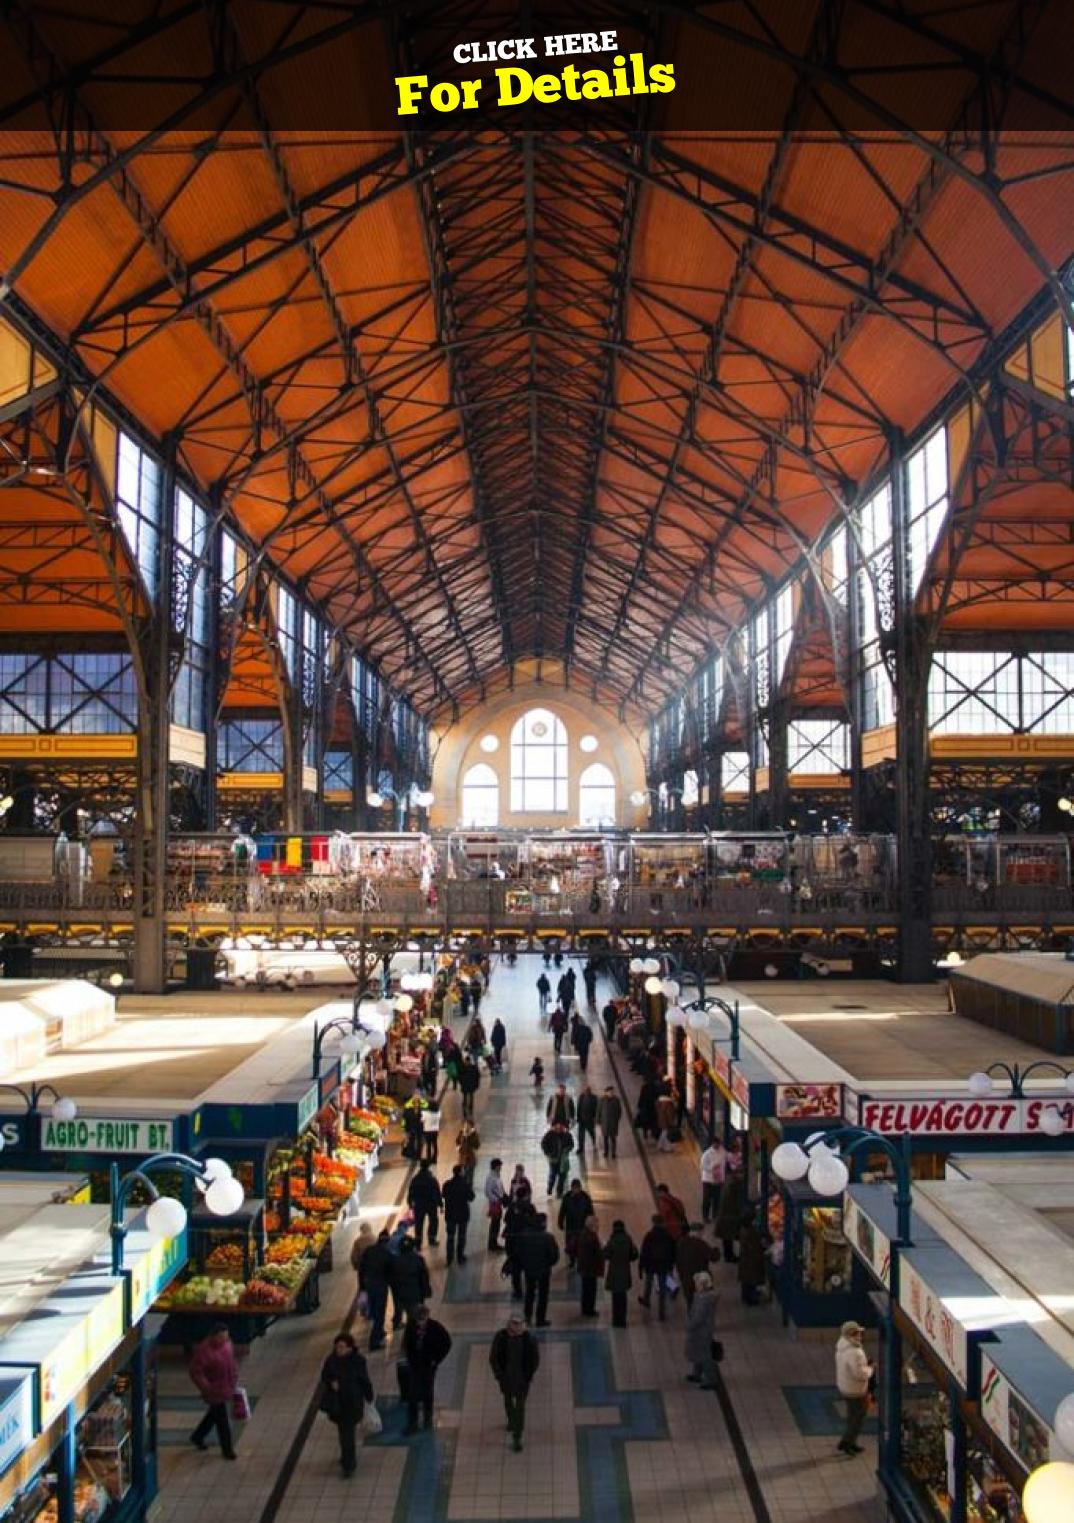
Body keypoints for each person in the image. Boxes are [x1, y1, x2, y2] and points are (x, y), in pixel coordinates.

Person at [320, 1332, 374, 1477]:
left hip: (352, 1403)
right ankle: (347, 1458)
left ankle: (349, 1464)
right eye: (337, 1347)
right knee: (344, 1434)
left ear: (350, 1348)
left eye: (342, 1347)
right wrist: (331, 1382)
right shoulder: (331, 1360)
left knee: (347, 1435)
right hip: (338, 1404)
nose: (339, 1350)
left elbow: (364, 1379)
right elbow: (325, 1375)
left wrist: (369, 1396)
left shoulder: (357, 1361)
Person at [489, 1313, 541, 1452]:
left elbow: (534, 1360)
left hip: (522, 1380)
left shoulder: (529, 1340)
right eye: (514, 1324)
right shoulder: (501, 1338)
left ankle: (517, 1436)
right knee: (507, 1399)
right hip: (506, 1378)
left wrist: (528, 1374)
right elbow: (494, 1357)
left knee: (520, 1406)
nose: (516, 1328)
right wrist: (499, 1374)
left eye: (519, 1325)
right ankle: (511, 1420)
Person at [188, 1324, 239, 1459]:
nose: (225, 1339)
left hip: (226, 1385)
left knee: (213, 1416)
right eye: (222, 1337)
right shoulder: (204, 1351)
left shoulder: (227, 1345)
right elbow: (195, 1371)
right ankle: (227, 1450)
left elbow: (231, 1362)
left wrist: (234, 1377)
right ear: (213, 1336)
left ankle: (197, 1436)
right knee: (222, 1420)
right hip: (214, 1390)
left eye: (226, 1337)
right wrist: (207, 1388)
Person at [401, 1305, 452, 1435]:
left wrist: (436, 1359)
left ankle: (427, 1418)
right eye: (418, 1320)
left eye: (422, 1319)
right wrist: (409, 1357)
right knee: (412, 1394)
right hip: (415, 1365)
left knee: (427, 1392)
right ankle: (412, 1422)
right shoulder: (411, 1327)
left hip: (428, 1366)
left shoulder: (435, 1328)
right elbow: (407, 1343)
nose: (420, 1323)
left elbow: (447, 1343)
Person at [515, 1210, 559, 1327]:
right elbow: (554, 1256)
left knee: (530, 1293)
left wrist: (525, 1264)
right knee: (543, 1295)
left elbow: (519, 1252)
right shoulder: (548, 1237)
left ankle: (528, 1316)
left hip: (529, 1270)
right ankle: (540, 1319)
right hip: (543, 1271)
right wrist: (549, 1264)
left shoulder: (524, 1235)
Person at [835, 1321, 873, 1455]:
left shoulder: (842, 1347)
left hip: (845, 1387)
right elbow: (859, 1374)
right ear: (852, 1334)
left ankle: (848, 1441)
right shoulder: (854, 1352)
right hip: (855, 1390)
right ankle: (848, 1443)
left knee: (852, 1416)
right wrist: (870, 1370)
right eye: (858, 1333)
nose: (860, 1335)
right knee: (858, 1417)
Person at [357, 1227, 393, 1351]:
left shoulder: (369, 1250)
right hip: (379, 1286)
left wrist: (362, 1287)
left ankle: (379, 1331)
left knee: (372, 1310)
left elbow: (361, 1269)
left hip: (367, 1284)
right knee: (379, 1314)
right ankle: (374, 1341)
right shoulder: (387, 1254)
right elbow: (390, 1273)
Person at [685, 1272, 720, 1389]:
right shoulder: (703, 1296)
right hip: (701, 1330)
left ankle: (711, 1379)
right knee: (698, 1352)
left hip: (701, 1331)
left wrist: (690, 1325)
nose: (695, 1286)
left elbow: (699, 1316)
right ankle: (697, 1373)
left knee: (704, 1355)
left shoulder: (704, 1299)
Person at [638, 1213, 677, 1320]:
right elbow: (673, 1251)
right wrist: (671, 1264)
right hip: (663, 1265)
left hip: (651, 1265)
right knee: (662, 1288)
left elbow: (644, 1252)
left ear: (653, 1223)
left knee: (648, 1283)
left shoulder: (649, 1235)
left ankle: (646, 1300)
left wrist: (641, 1267)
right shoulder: (668, 1236)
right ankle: (661, 1312)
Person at [390, 1236, 432, 1328]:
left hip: (400, 1293)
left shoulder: (395, 1261)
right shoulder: (418, 1259)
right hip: (415, 1293)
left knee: (399, 1310)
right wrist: (426, 1291)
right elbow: (424, 1277)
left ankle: (397, 1323)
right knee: (415, 1316)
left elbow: (391, 1278)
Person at [603, 1219, 638, 1328]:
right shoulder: (628, 1239)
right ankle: (622, 1321)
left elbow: (606, 1255)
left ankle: (615, 1320)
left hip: (614, 1272)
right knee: (623, 1298)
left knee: (615, 1298)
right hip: (624, 1272)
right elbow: (634, 1255)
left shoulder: (612, 1240)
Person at [677, 1223, 720, 1311]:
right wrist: (716, 1249)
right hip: (701, 1279)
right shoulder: (701, 1244)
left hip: (687, 1278)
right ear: (699, 1232)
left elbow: (678, 1262)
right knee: (704, 1305)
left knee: (690, 1303)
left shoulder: (681, 1243)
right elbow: (714, 1257)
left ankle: (692, 1321)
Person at [504, 1189, 537, 1300]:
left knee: (516, 1268)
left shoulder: (512, 1206)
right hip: (526, 1241)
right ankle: (531, 1286)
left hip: (513, 1242)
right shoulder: (530, 1207)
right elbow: (534, 1222)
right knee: (529, 1266)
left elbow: (506, 1220)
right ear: (526, 1196)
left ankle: (517, 1291)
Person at [441, 1164, 474, 1266]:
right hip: (462, 1215)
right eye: (463, 1170)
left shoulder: (447, 1184)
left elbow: (443, 1194)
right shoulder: (465, 1184)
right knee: (461, 1236)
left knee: (450, 1237)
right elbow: (471, 1197)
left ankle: (449, 1258)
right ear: (460, 1172)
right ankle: (460, 1257)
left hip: (450, 1214)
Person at [557, 1178, 594, 1269]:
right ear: (572, 1188)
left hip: (582, 1226)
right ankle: (572, 1260)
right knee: (570, 1245)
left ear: (580, 1188)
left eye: (578, 1188)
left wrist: (591, 1224)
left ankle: (580, 1261)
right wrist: (560, 1222)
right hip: (571, 1226)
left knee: (582, 1245)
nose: (576, 1190)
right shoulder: (567, 1197)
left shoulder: (585, 1197)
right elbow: (562, 1211)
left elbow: (590, 1212)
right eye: (574, 1188)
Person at [714, 1159, 745, 1263]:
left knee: (727, 1239)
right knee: (728, 1237)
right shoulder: (736, 1184)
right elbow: (737, 1201)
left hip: (725, 1216)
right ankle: (729, 1257)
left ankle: (729, 1256)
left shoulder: (730, 1181)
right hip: (729, 1217)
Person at [407, 1159, 442, 1249]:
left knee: (419, 1223)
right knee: (433, 1221)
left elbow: (411, 1191)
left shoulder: (415, 1179)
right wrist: (440, 1204)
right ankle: (431, 1239)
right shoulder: (432, 1179)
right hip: (431, 1204)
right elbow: (437, 1192)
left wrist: (410, 1204)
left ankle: (418, 1243)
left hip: (419, 1204)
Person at [738, 1206, 767, 1306]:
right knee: (751, 1280)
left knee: (746, 1281)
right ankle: (750, 1299)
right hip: (751, 1261)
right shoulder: (751, 1233)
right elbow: (755, 1248)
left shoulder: (744, 1230)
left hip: (745, 1260)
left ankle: (746, 1296)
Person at [576, 1214, 604, 1317]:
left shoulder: (583, 1234)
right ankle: (590, 1310)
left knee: (585, 1289)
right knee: (591, 1289)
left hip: (584, 1266)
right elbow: (597, 1253)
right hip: (591, 1267)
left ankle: (585, 1309)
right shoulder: (592, 1237)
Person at [541, 1120, 573, 1199]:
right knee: (553, 1174)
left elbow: (571, 1144)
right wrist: (548, 1153)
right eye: (557, 1126)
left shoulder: (567, 1135)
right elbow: (543, 1144)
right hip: (553, 1159)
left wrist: (567, 1149)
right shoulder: (549, 1134)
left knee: (562, 1176)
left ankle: (559, 1192)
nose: (559, 1127)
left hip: (563, 1160)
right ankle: (550, 1186)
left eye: (561, 1126)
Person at [700, 1137, 728, 1224]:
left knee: (717, 1198)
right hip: (708, 1180)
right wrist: (712, 1168)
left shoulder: (723, 1151)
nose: (717, 1145)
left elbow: (726, 1160)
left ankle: (715, 1215)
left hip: (719, 1180)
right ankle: (705, 1216)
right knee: (707, 1199)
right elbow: (702, 1166)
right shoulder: (707, 1154)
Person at [485, 1157, 507, 1250]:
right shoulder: (491, 1177)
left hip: (498, 1203)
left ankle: (494, 1242)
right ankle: (492, 1244)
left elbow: (500, 1187)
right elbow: (488, 1191)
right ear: (496, 1167)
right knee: (495, 1224)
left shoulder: (497, 1175)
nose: (501, 1168)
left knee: (496, 1223)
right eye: (499, 1166)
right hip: (495, 1204)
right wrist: (496, 1200)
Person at [597, 1086, 622, 1159]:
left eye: (612, 1092)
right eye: (610, 1092)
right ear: (606, 1092)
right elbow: (599, 1111)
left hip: (613, 1123)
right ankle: (606, 1152)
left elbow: (619, 1111)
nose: (611, 1093)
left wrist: (616, 1119)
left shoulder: (616, 1100)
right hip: (604, 1123)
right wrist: (598, 1121)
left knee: (613, 1139)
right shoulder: (602, 1100)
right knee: (605, 1139)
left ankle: (613, 1153)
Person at [456, 1118, 481, 1188]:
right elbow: (457, 1141)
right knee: (462, 1173)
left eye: (468, 1125)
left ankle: (469, 1186)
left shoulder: (474, 1134)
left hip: (471, 1157)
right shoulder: (461, 1133)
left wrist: (470, 1136)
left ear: (471, 1126)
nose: (466, 1126)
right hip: (462, 1157)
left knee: (470, 1174)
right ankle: (463, 1185)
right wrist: (458, 1147)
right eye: (465, 1125)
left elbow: (477, 1145)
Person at [655, 1087, 678, 1152]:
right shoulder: (668, 1103)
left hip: (661, 1119)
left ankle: (660, 1145)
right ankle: (664, 1147)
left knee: (664, 1132)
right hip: (666, 1121)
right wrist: (672, 1122)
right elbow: (669, 1114)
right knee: (665, 1133)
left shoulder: (659, 1101)